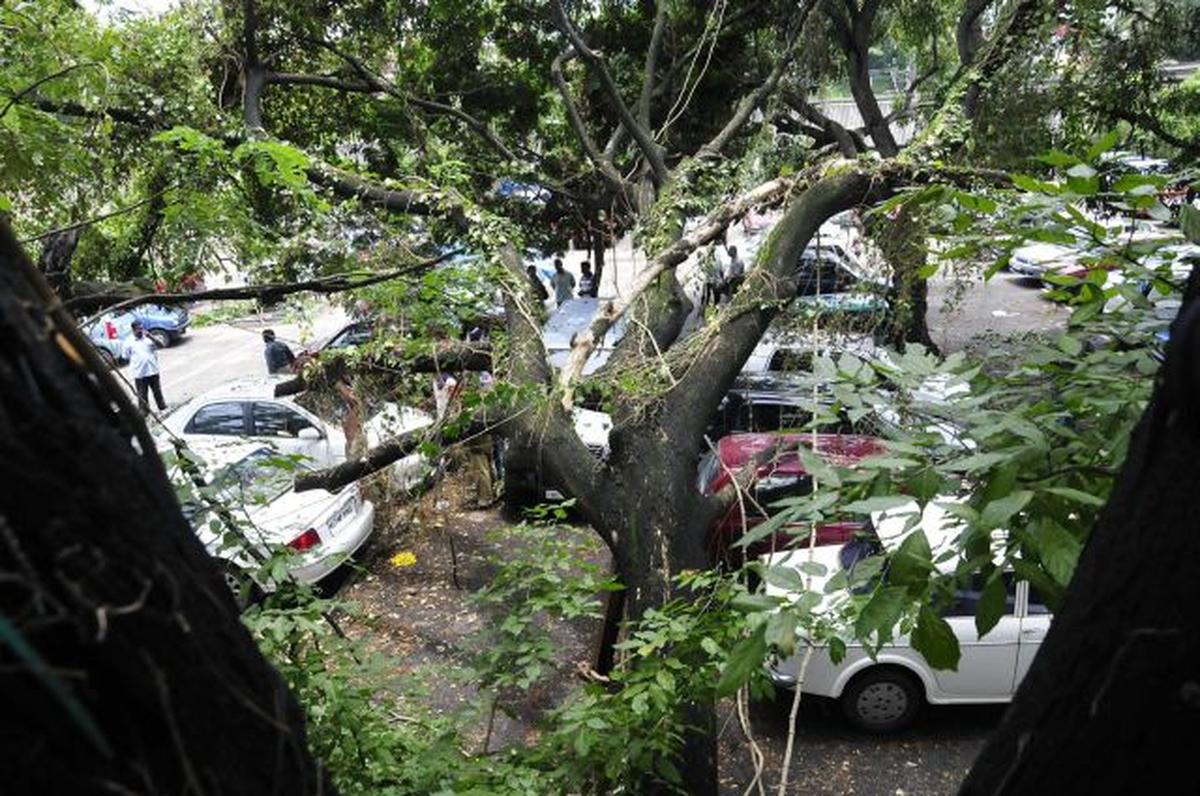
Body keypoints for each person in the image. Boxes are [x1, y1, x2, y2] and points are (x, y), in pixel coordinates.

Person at [124, 321, 166, 415]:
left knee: (157, 391)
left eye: (142, 328)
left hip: (152, 370)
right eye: (139, 329)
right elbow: (125, 356)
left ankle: (162, 407)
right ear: (133, 330)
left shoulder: (149, 338)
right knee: (142, 394)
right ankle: (145, 412)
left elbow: (162, 345)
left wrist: (150, 336)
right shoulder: (128, 342)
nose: (141, 331)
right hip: (140, 373)